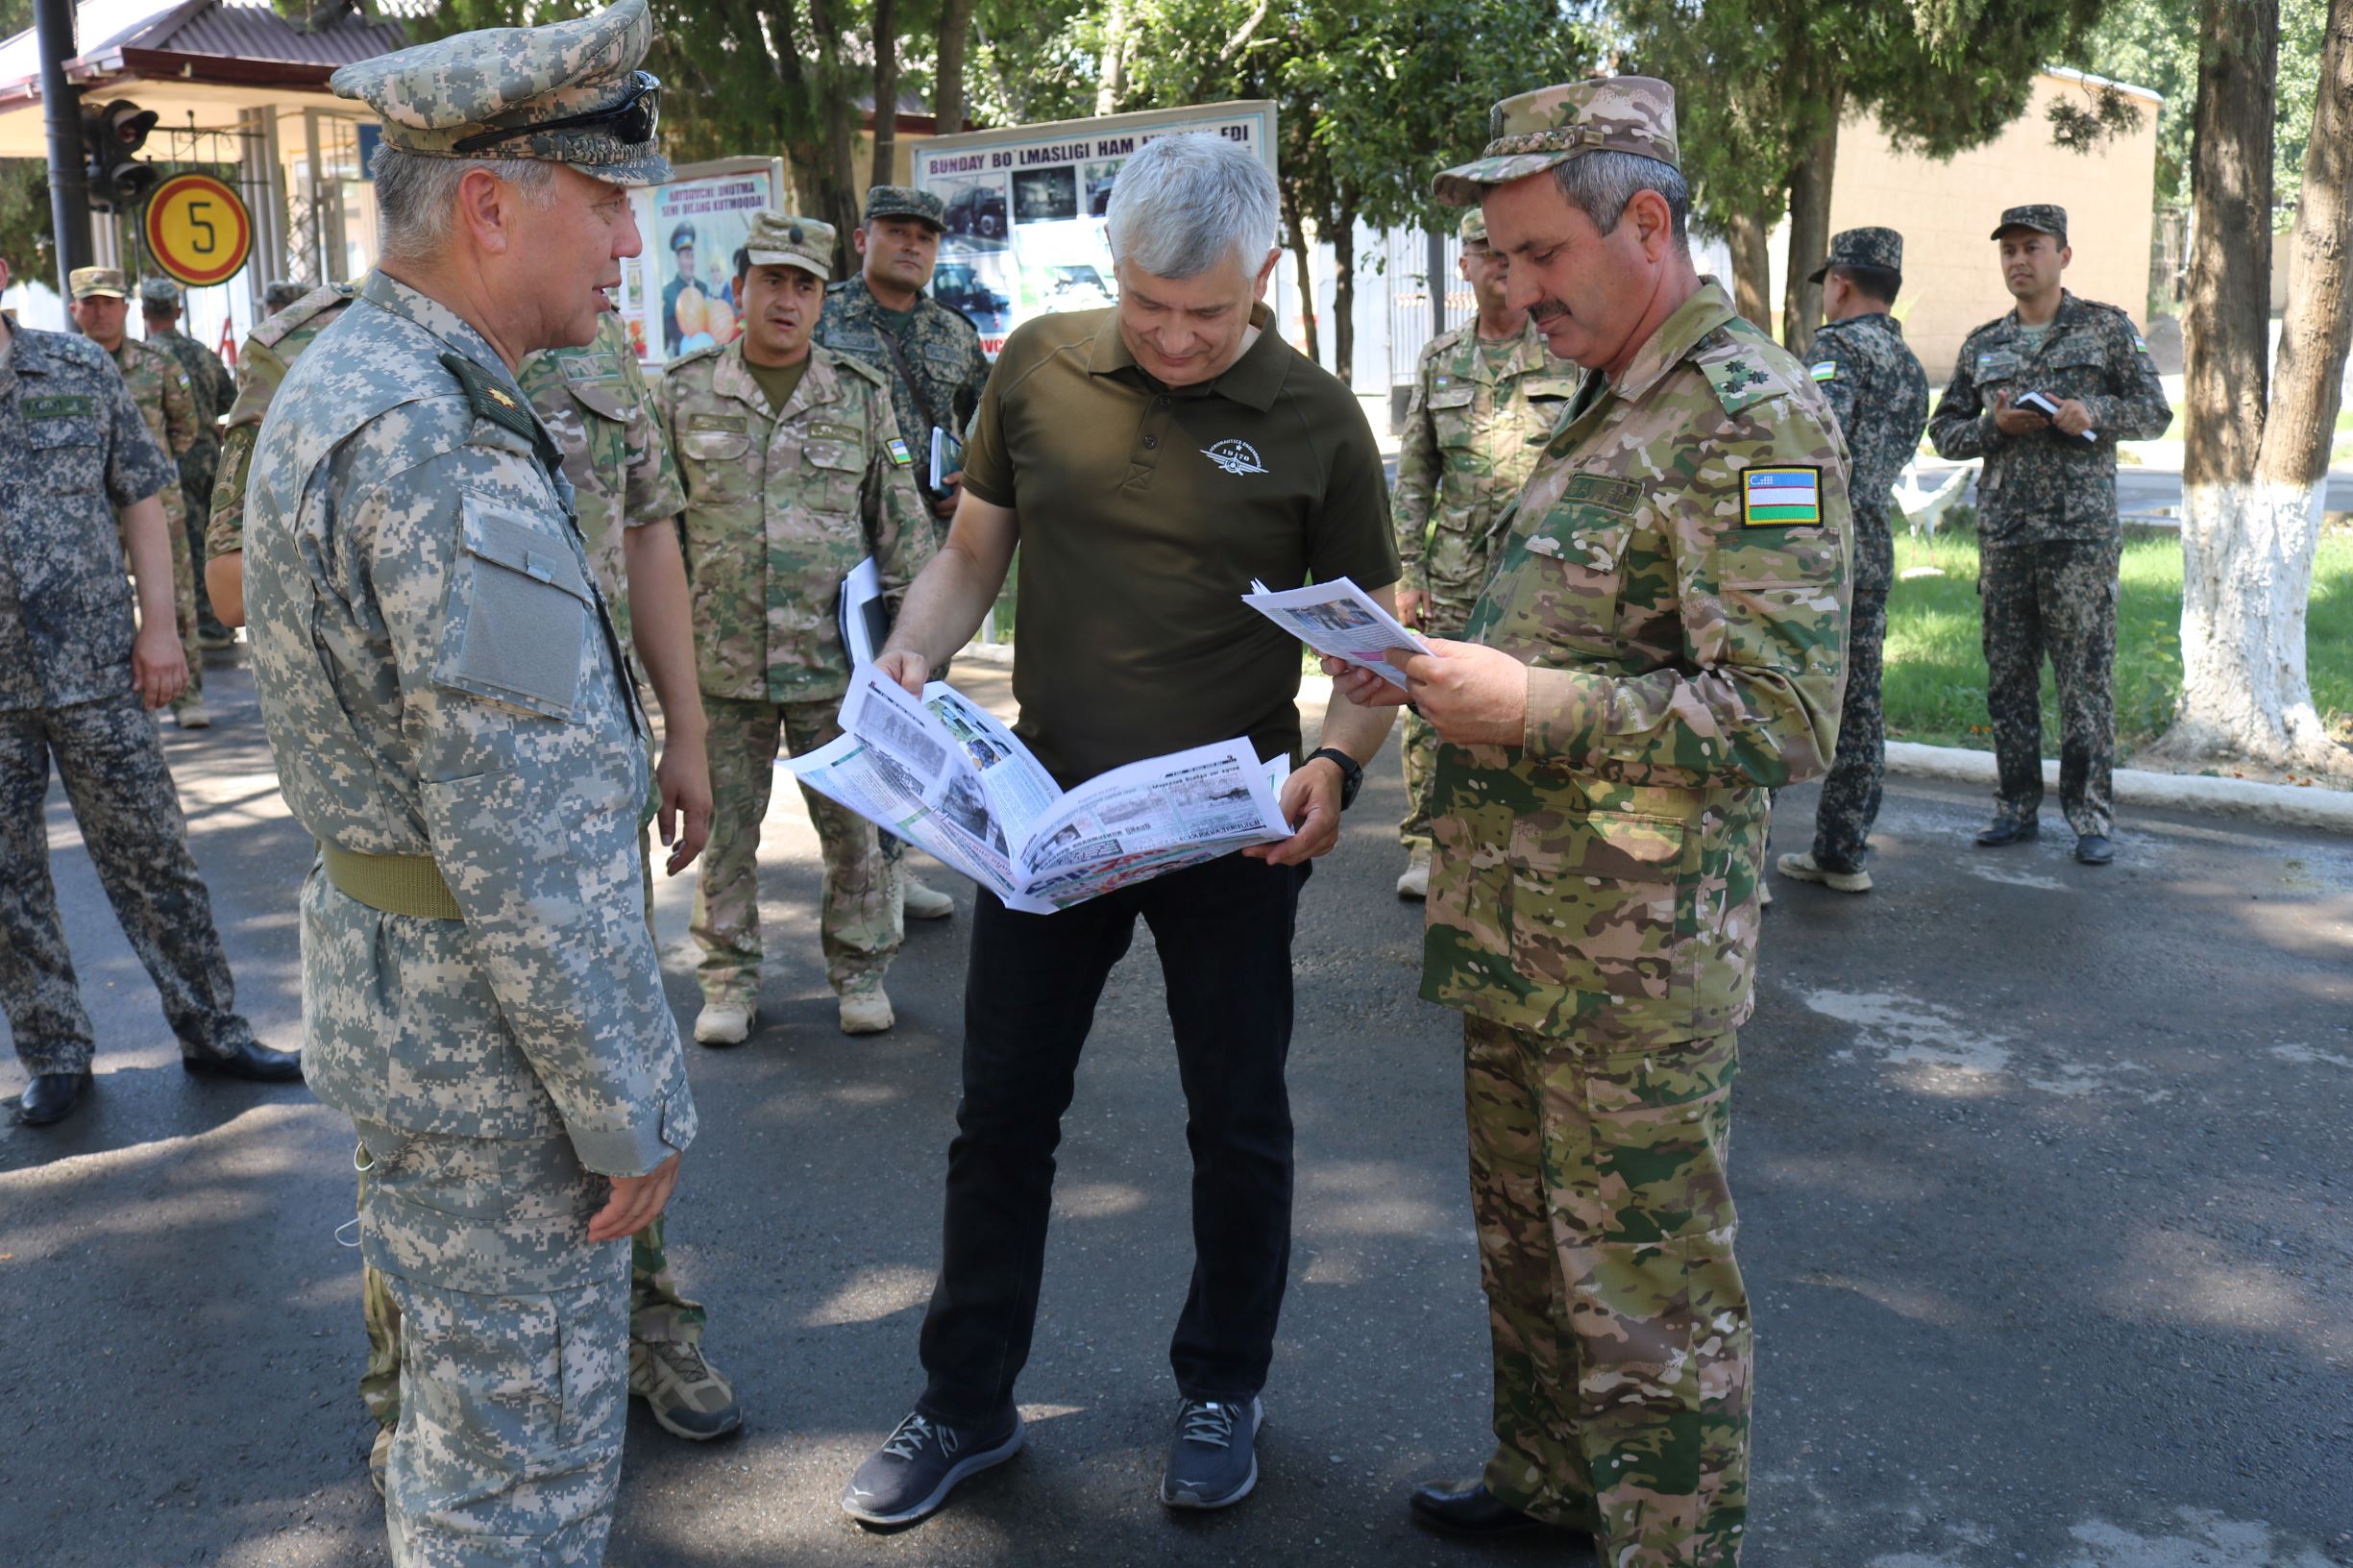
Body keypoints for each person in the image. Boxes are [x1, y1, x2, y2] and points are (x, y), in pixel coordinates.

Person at [839, 131, 1400, 1528]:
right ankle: (964, 1401)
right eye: (1148, 303)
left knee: (1238, 1119)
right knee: (1000, 1116)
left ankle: (1222, 1386)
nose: (1175, 336)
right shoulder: (1037, 367)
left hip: (1234, 826)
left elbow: (1371, 651)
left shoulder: (1318, 419)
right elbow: (972, 553)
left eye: (1207, 310)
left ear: (1262, 272)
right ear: (1113, 264)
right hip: (1053, 818)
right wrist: (911, 656)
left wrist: (1335, 763)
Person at [1327, 79, 1850, 1565]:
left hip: (1635, 959)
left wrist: (1527, 705)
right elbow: (1569, 623)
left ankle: (1669, 1545)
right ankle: (1551, 1481)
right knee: (1525, 1240)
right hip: (1520, 920)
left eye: (1540, 253)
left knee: (1647, 1286)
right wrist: (1421, 661)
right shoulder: (1603, 394)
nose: (1514, 288)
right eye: (1499, 256)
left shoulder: (1749, 417)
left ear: (1647, 224)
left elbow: (1782, 714)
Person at [242, 3, 697, 1558]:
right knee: (517, 1481)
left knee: (457, 1437)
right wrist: (627, 1103)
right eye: (608, 199)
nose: (628, 243)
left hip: (423, 1017)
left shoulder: (359, 380)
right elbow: (525, 837)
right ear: (492, 207)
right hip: (497, 1063)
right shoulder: (437, 438)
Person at [205, 289, 746, 1485]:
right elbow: (231, 585)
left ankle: (643, 1322)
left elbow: (648, 532)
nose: (616, 243)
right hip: (425, 844)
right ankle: (412, 1377)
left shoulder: (586, 335)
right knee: (433, 1135)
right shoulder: (326, 358)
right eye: (594, 203)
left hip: (574, 817)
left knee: (610, 1080)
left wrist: (687, 729)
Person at [0, 256, 299, 1129]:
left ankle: (214, 1031)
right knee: (8, 881)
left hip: (96, 666)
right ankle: (55, 1053)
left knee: (153, 858)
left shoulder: (76, 368)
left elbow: (142, 496)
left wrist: (161, 627)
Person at [654, 209, 935, 1043]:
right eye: (770, 281)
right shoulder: (680, 393)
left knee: (854, 834)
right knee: (724, 836)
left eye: (803, 286)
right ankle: (728, 983)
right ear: (739, 288)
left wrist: (913, 650)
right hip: (720, 664)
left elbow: (902, 530)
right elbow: (654, 539)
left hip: (836, 667)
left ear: (820, 298)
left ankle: (861, 972)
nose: (786, 300)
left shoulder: (858, 394)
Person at [1928, 204, 2171, 866]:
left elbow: (2154, 412)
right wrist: (1992, 428)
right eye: (2008, 250)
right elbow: (1943, 431)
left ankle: (2090, 816)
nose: (2018, 260)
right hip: (2005, 536)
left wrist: (2094, 411)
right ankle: (2014, 808)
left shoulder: (2105, 328)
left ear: (2062, 256)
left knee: (2083, 680)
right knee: (2008, 680)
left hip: (2078, 539)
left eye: (2031, 248)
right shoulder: (1983, 344)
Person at [817, 184, 996, 925]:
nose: (911, 245)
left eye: (924, 236)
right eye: (896, 231)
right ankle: (857, 883)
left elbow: (986, 420)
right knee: (842, 712)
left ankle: (894, 867)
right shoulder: (822, 314)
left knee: (910, 709)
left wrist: (969, 480)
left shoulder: (953, 332)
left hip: (922, 553)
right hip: (837, 546)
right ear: (863, 240)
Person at [1389, 207, 1578, 900]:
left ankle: (1523, 839)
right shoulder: (1441, 359)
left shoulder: (1564, 351)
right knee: (1428, 704)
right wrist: (1407, 572)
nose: (1498, 263)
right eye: (1483, 251)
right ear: (1464, 265)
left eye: (1508, 251)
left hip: (1541, 574)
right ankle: (1425, 841)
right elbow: (1415, 478)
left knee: (1536, 701)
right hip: (1454, 573)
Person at [1774, 227, 1929, 894]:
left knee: (1775, 690)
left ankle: (1744, 863)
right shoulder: (1910, 365)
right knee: (1860, 704)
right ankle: (1843, 854)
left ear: (1839, 282)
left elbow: (1809, 447)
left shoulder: (1836, 349)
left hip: (1816, 548)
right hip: (1871, 544)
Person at [69, 266, 211, 731]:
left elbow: (185, 428)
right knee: (94, 604)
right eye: (90, 304)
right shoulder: (62, 369)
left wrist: (150, 472)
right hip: (89, 510)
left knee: (175, 598)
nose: (100, 313)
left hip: (157, 505)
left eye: (109, 303)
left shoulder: (157, 363)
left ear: (126, 308)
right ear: (74, 310)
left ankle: (187, 695)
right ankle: (110, 701)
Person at [138, 276, 237, 649]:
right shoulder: (202, 354)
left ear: (143, 312)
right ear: (178, 312)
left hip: (172, 467)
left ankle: (205, 626)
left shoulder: (146, 360)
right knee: (217, 541)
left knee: (186, 548)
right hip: (213, 461)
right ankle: (222, 620)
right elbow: (229, 401)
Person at [662, 221, 699, 355]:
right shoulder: (668, 293)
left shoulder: (703, 288)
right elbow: (666, 338)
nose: (690, 262)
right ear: (677, 260)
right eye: (686, 257)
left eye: (692, 256)